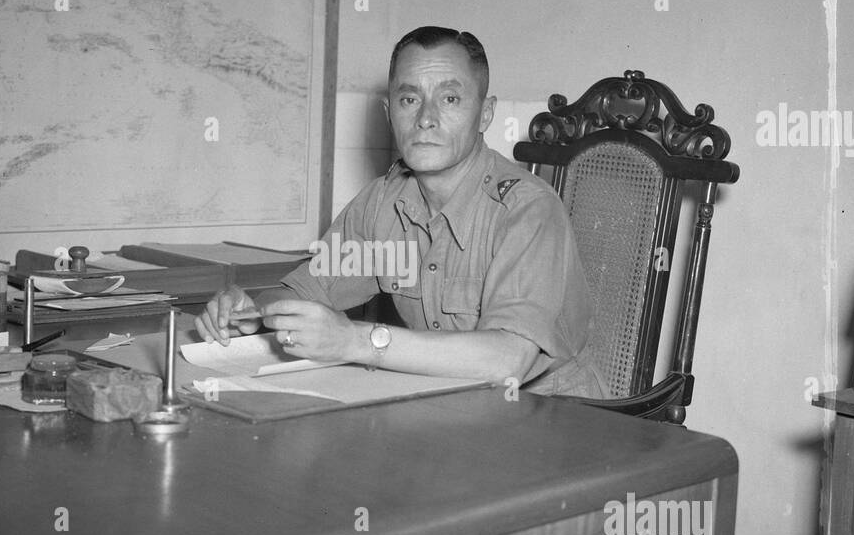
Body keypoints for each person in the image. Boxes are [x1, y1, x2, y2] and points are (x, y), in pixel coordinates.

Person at [196, 25, 607, 399]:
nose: (426, 118)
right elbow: (304, 292)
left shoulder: (525, 210)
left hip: (552, 414)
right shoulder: (383, 201)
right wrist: (254, 313)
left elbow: (507, 361)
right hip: (445, 404)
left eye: (449, 98)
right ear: (390, 111)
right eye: (410, 98)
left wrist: (354, 341)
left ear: (485, 114)